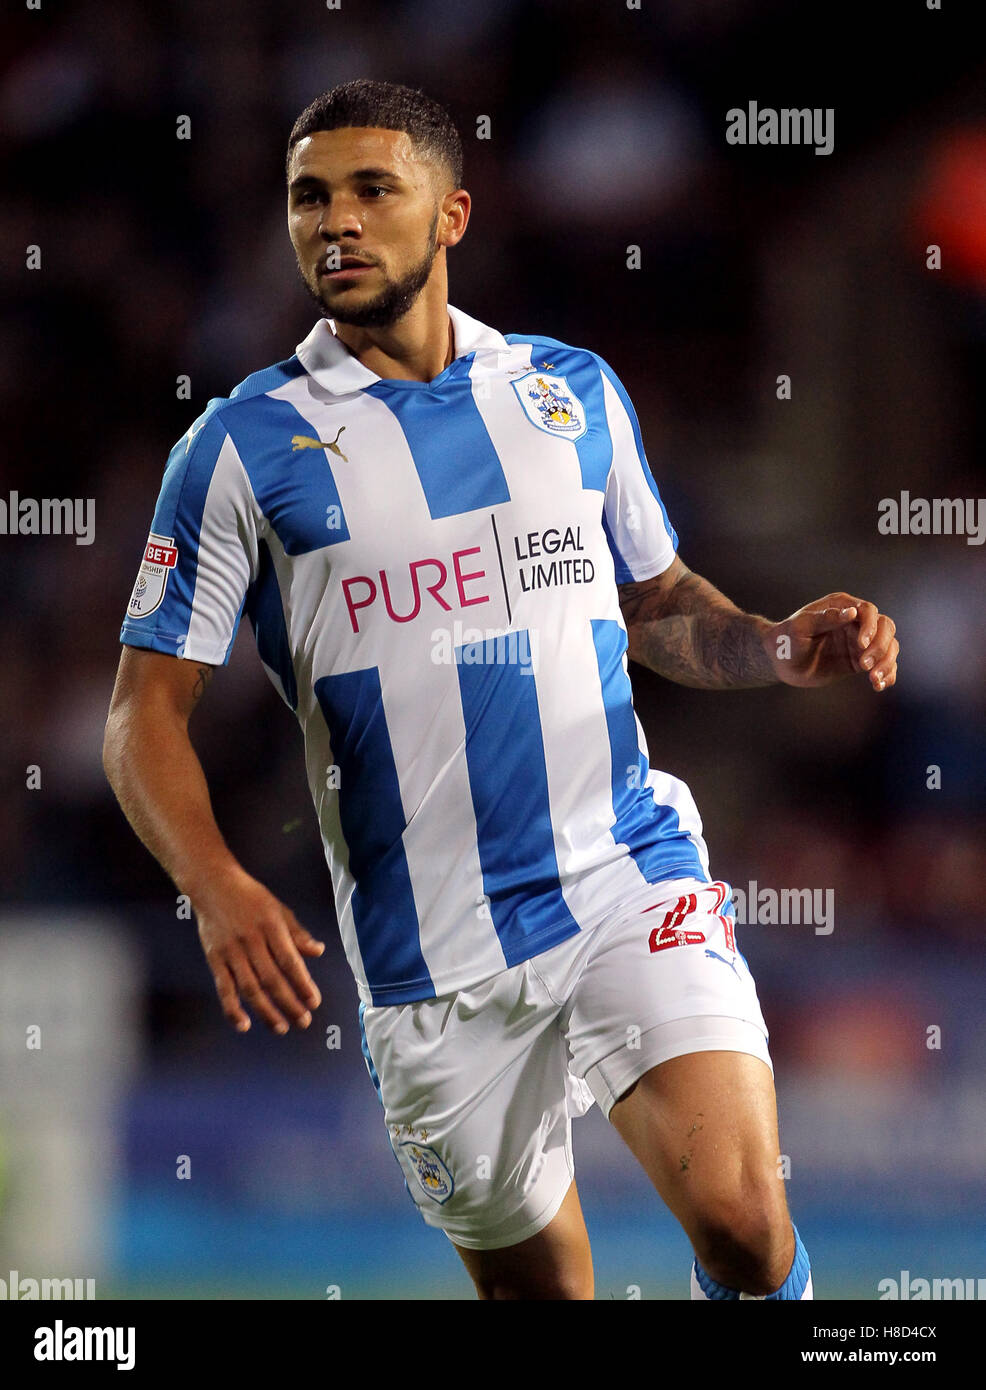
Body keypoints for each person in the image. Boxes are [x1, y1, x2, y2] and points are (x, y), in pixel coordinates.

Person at [103, 79, 899, 1301]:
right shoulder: (233, 450)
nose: (337, 224)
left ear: (453, 215)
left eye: (374, 191)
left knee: (743, 1222)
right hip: (429, 960)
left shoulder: (567, 391)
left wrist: (778, 648)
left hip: (617, 872)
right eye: (309, 198)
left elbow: (654, 602)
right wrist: (214, 884)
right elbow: (139, 713)